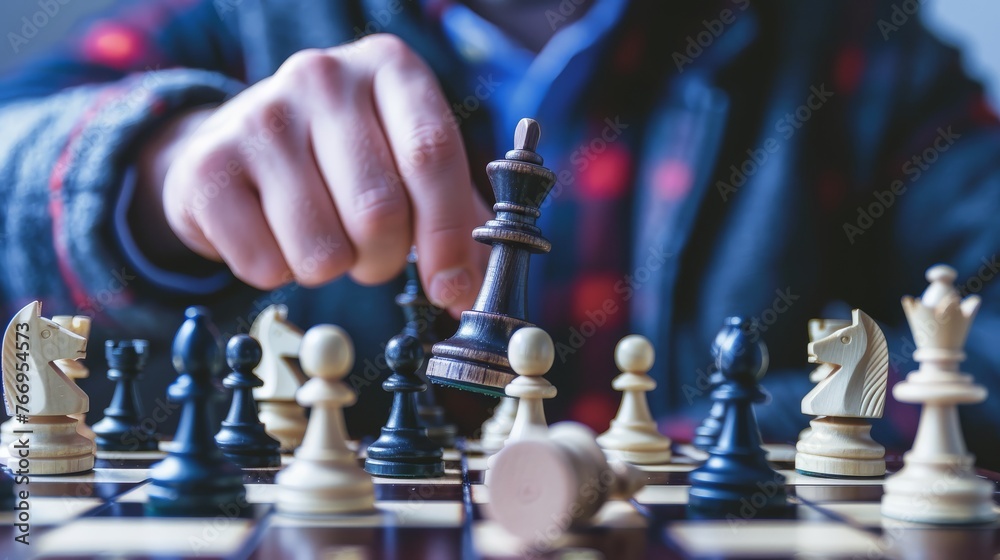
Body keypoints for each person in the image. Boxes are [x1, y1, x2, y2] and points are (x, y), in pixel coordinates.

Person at [2, 0, 999, 467]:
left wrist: (693, 452)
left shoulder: (858, 43)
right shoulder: (237, 19)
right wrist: (148, 177)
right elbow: (20, 149)